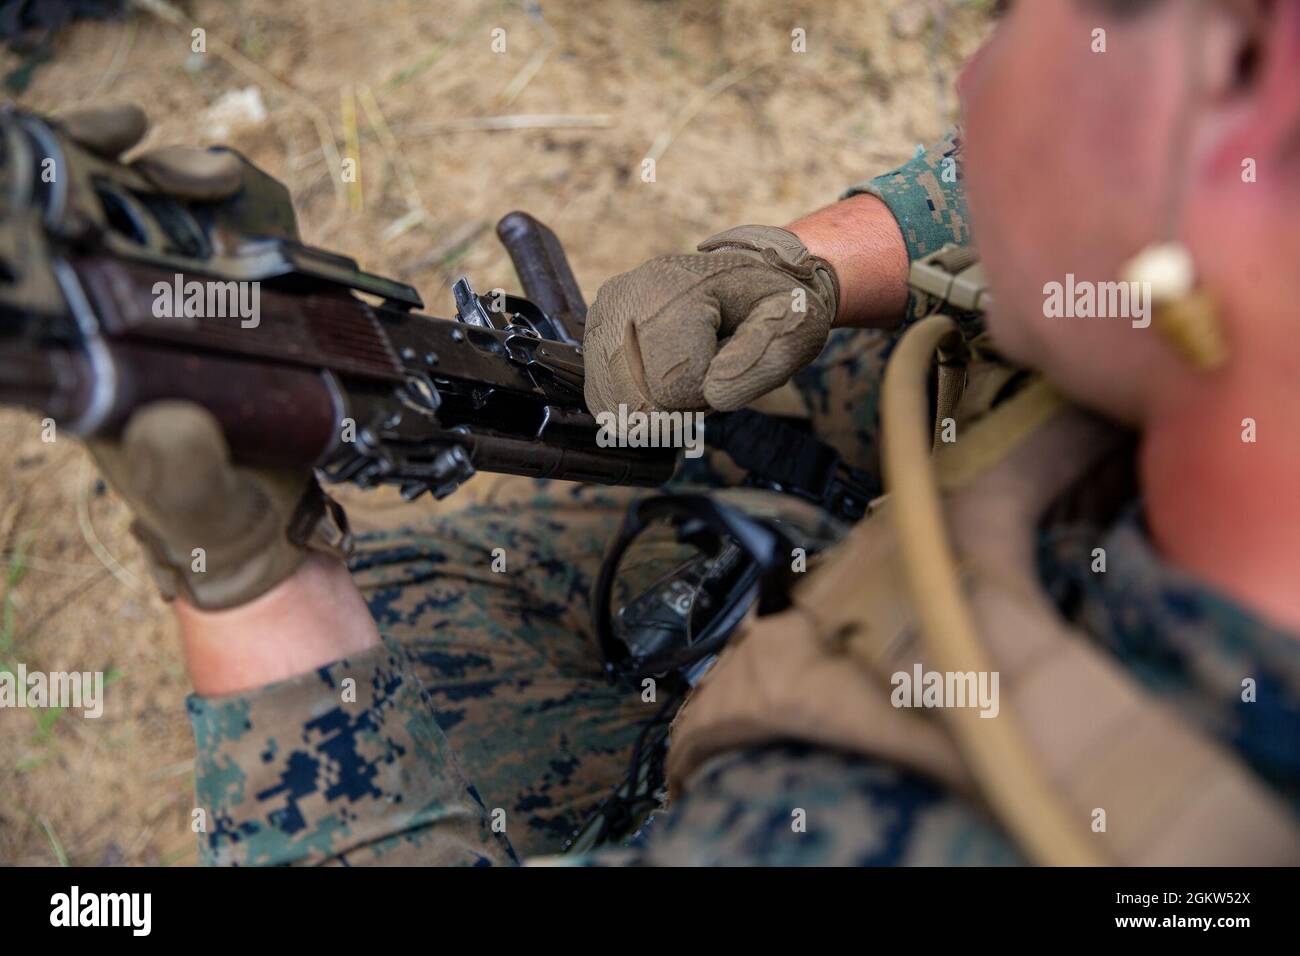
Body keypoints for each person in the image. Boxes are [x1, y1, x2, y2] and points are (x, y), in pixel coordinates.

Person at [84, 0, 1300, 864]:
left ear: (1242, 65)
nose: (977, 72)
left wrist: (252, 576)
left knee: (399, 644)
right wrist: (802, 268)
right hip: (1002, 478)